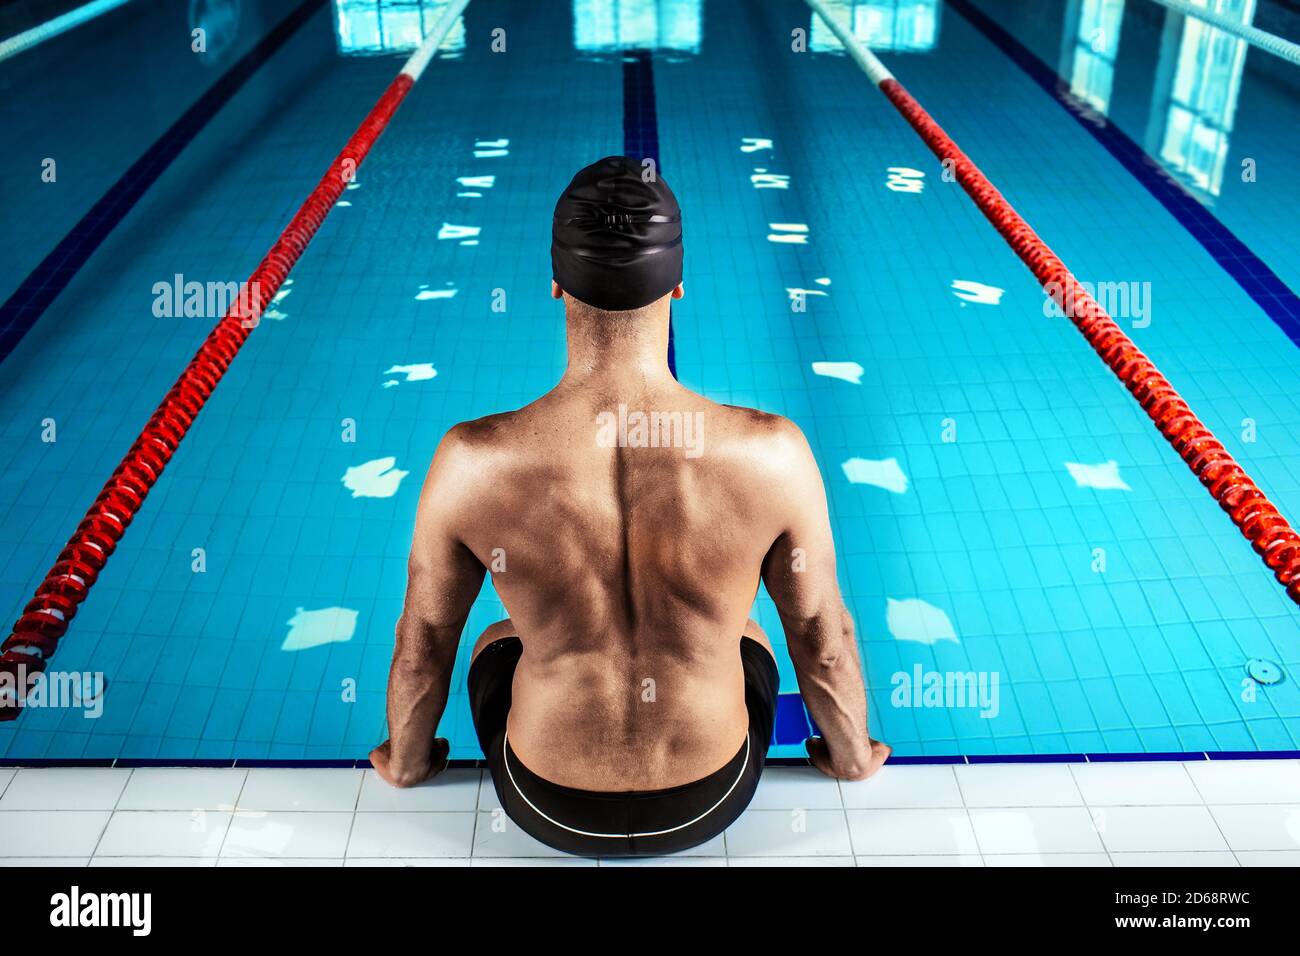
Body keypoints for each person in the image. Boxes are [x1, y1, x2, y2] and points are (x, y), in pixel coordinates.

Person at [371, 156, 888, 856]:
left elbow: (424, 644)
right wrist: (851, 756)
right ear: (678, 284)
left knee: (497, 635)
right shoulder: (772, 453)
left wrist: (406, 762)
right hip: (711, 793)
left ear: (555, 283)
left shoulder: (473, 461)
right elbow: (824, 641)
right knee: (751, 631)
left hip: (544, 801)